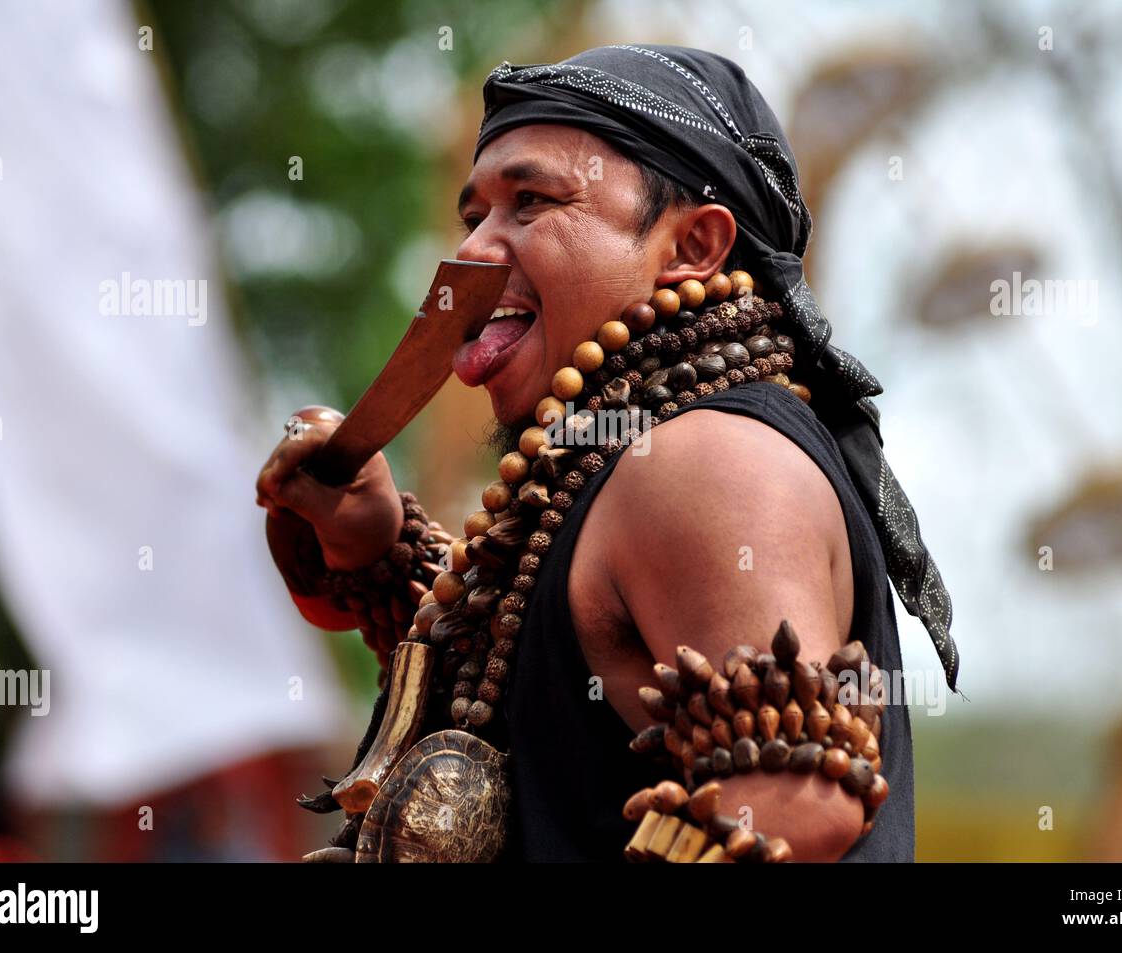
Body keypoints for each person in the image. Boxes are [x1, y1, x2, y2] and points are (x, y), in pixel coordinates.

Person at [256, 45, 960, 863]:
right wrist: (384, 554)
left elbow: (792, 803)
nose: (474, 250)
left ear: (694, 244)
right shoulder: (624, 459)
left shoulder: (704, 459)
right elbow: (536, 722)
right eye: (474, 216)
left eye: (531, 202)